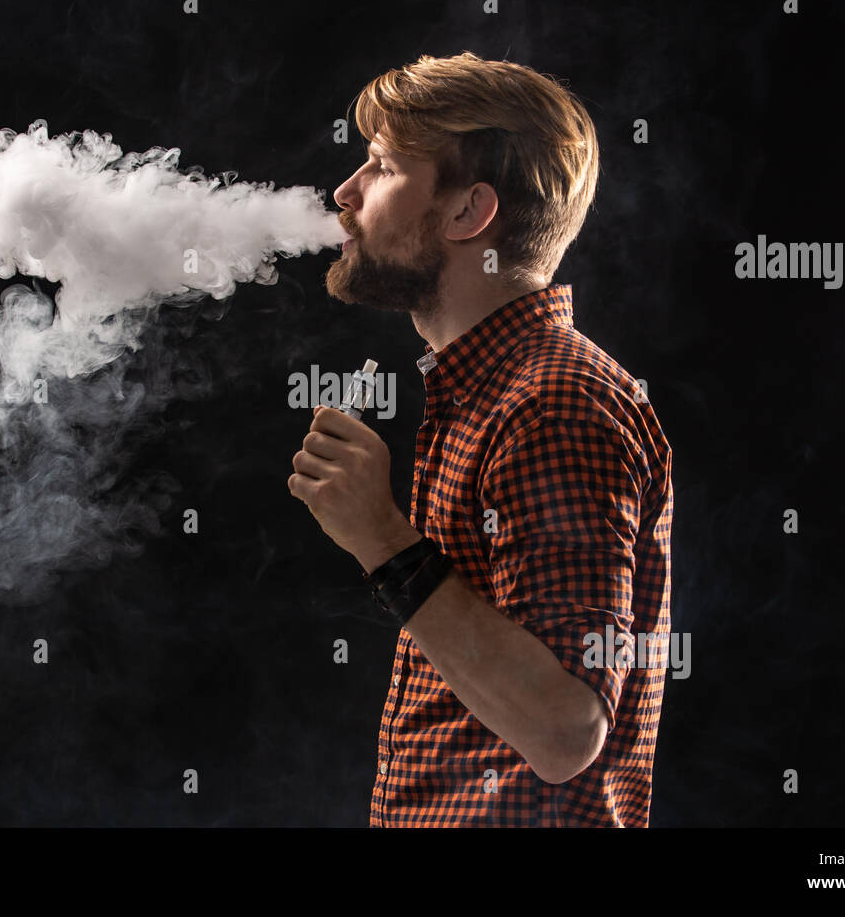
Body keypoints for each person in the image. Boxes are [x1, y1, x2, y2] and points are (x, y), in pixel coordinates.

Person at [287, 51, 673, 827]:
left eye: (383, 167)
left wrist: (382, 541)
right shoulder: (486, 393)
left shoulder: (554, 403)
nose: (344, 193)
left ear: (468, 215)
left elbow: (565, 730)